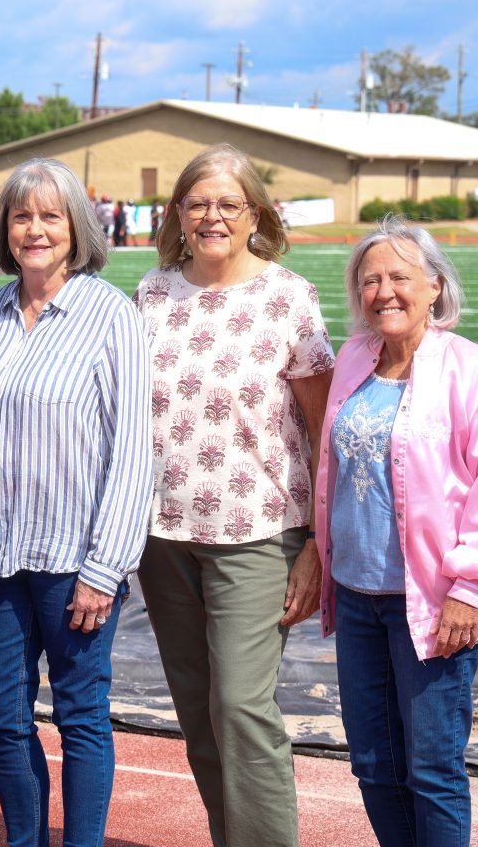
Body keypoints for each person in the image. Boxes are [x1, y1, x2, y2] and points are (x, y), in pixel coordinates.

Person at [133, 142, 335, 847]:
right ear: (177, 215)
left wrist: (318, 543)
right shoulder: (153, 292)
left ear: (256, 212)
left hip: (259, 530)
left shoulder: (288, 297)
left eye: (228, 203)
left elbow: (321, 429)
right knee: (198, 714)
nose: (212, 216)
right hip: (163, 536)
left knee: (243, 708)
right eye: (197, 204)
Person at [317, 217, 478, 847]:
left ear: (436, 286)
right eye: (370, 280)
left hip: (432, 605)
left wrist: (470, 586)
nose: (384, 292)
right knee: (373, 765)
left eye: (399, 278)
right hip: (358, 598)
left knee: (432, 770)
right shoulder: (352, 360)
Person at [0, 159, 154, 846]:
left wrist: (107, 567)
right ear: (3, 228)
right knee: (3, 718)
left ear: (76, 227)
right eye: (21, 215)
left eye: (50, 215)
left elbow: (132, 450)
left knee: (80, 715)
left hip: (74, 560)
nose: (34, 229)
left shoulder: (111, 315)